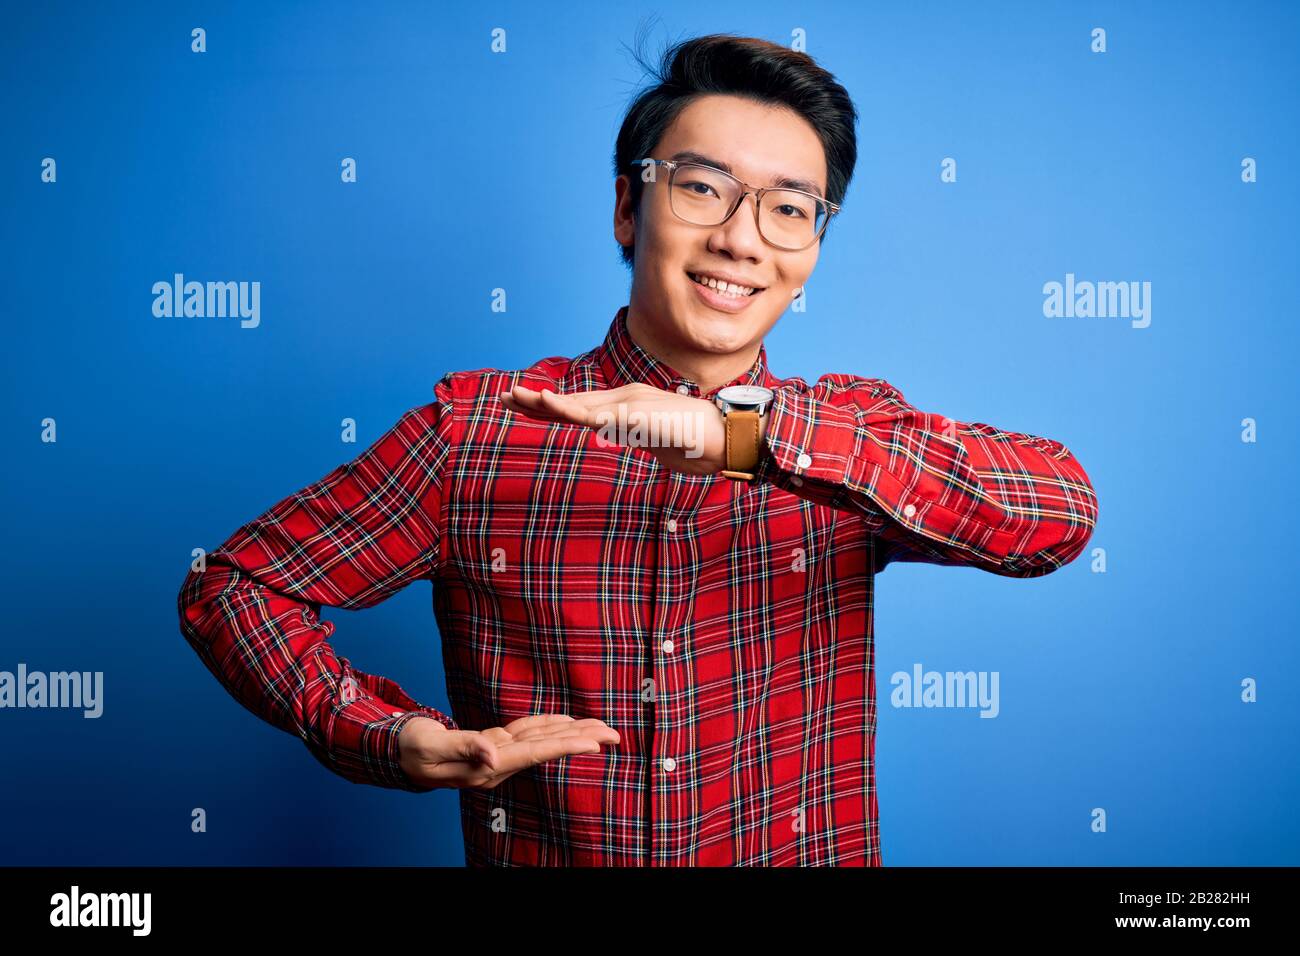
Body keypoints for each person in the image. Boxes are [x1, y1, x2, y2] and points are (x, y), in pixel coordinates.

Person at [177, 33, 1098, 866]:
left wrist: (750, 439)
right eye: (702, 188)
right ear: (629, 207)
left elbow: (1059, 514)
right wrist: (383, 735)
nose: (741, 238)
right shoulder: (481, 434)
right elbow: (231, 588)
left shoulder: (847, 437)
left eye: (789, 208)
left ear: (813, 246)